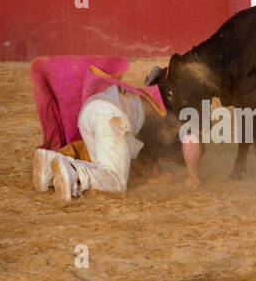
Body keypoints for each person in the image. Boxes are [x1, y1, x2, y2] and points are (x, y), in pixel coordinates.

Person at [30, 58, 200, 202]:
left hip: (89, 112)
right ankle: (73, 171)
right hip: (112, 117)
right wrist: (193, 177)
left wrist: (157, 175)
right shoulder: (169, 116)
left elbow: (146, 157)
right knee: (116, 183)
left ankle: (49, 163)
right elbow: (190, 139)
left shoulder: (143, 98)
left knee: (101, 169)